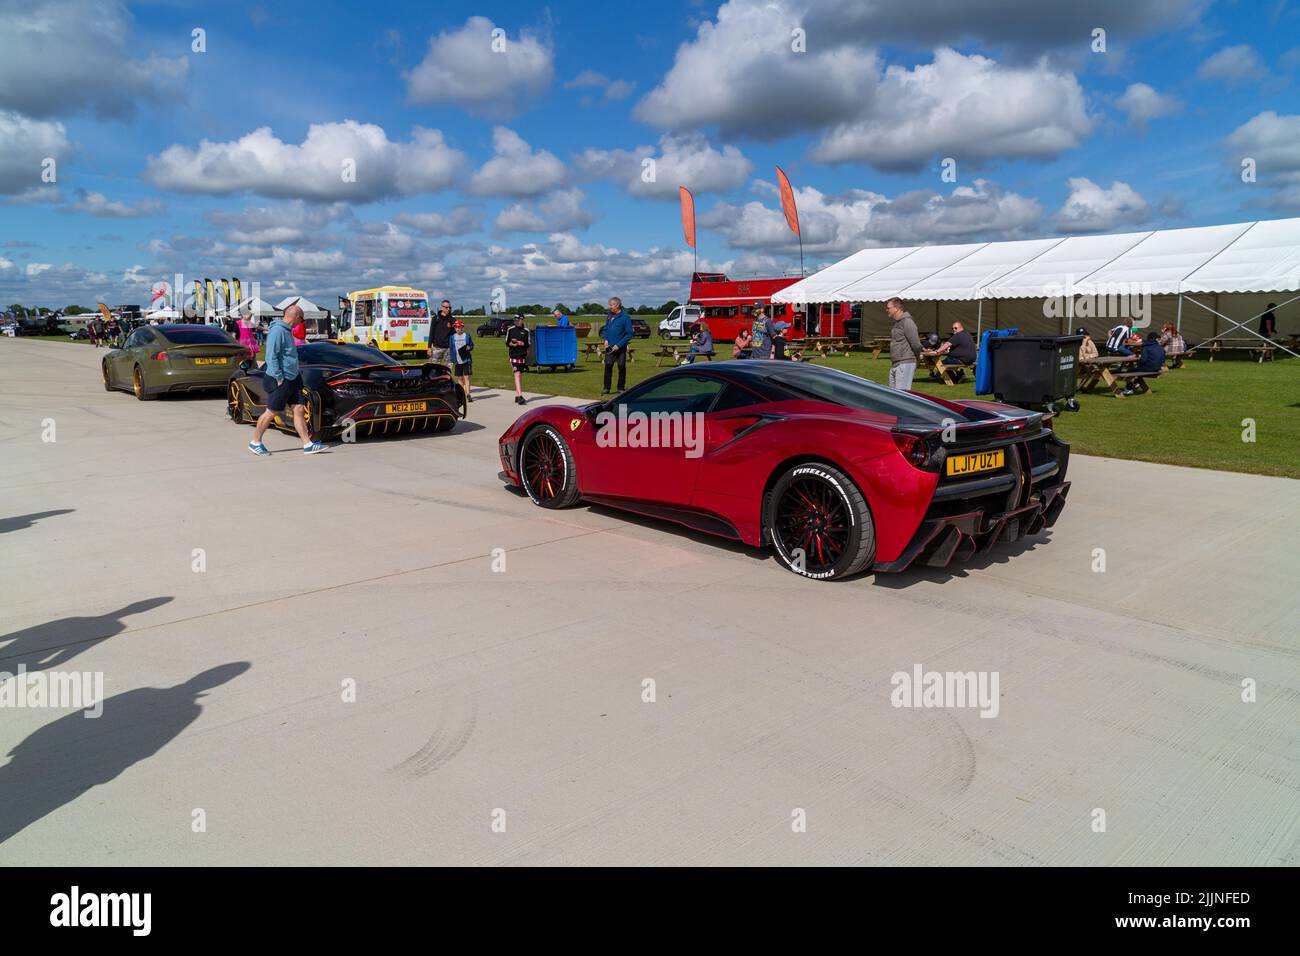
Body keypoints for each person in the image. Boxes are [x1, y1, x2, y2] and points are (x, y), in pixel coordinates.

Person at [247, 306, 327, 456]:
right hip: (281, 379)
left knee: (299, 409)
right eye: (302, 320)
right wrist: (279, 377)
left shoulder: (286, 331)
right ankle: (255, 442)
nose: (302, 323)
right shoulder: (277, 331)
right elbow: (271, 356)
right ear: (296, 317)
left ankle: (307, 444)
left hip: (293, 377)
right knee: (271, 412)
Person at [886, 296, 922, 390]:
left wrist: (917, 357)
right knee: (892, 396)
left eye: (888, 308)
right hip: (896, 363)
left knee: (902, 396)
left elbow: (916, 344)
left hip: (905, 363)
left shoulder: (907, 322)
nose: (886, 310)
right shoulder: (897, 323)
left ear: (896, 308)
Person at [599, 296, 632, 394]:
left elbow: (629, 334)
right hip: (609, 348)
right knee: (608, 366)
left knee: (621, 366)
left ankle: (621, 388)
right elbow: (606, 329)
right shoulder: (609, 315)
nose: (610, 307)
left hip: (620, 348)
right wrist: (605, 339)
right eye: (609, 305)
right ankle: (606, 388)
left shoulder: (625, 317)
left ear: (617, 305)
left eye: (612, 305)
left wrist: (619, 345)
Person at [506, 314, 531, 405]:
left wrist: (522, 343)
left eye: (518, 320)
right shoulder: (510, 330)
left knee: (519, 376)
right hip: (513, 356)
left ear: (522, 320)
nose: (517, 322)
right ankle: (520, 396)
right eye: (515, 320)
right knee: (517, 374)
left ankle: (517, 395)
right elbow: (506, 342)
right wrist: (512, 344)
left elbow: (528, 344)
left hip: (522, 356)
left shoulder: (526, 331)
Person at [449, 318, 474, 402]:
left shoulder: (467, 336)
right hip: (457, 361)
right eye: (456, 327)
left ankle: (468, 394)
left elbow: (472, 346)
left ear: (462, 328)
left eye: (459, 327)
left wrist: (469, 347)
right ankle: (462, 394)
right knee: (460, 378)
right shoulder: (452, 337)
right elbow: (452, 349)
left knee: (466, 377)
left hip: (466, 360)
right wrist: (453, 359)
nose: (458, 329)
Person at [428, 299, 455, 366]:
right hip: (437, 348)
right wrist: (429, 347)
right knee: (433, 369)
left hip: (448, 349)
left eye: (450, 307)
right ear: (442, 307)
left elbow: (455, 335)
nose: (448, 309)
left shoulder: (453, 320)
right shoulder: (435, 318)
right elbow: (431, 333)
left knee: (448, 369)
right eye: (446, 307)